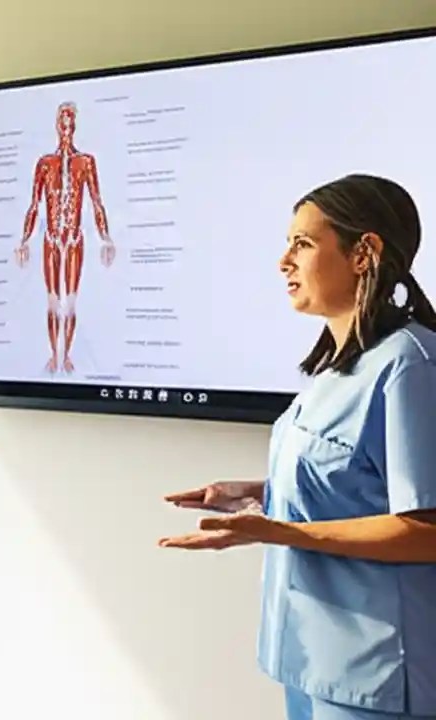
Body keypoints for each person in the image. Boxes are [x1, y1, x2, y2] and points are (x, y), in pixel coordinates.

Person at [160, 174, 436, 720]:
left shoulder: (410, 364)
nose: (283, 261)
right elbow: (361, 479)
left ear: (365, 252)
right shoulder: (340, 365)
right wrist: (251, 493)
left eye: (302, 244)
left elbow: (426, 528)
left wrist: (280, 532)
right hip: (308, 657)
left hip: (375, 673)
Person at [14, 100, 116, 375]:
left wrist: (105, 237)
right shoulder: (45, 164)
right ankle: (54, 355)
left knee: (69, 302)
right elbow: (34, 205)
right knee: (52, 300)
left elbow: (97, 202)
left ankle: (66, 355)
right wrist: (24, 240)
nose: (66, 122)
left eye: (70, 117)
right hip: (50, 238)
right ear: (57, 124)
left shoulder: (86, 162)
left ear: (75, 123)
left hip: (73, 238)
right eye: (62, 117)